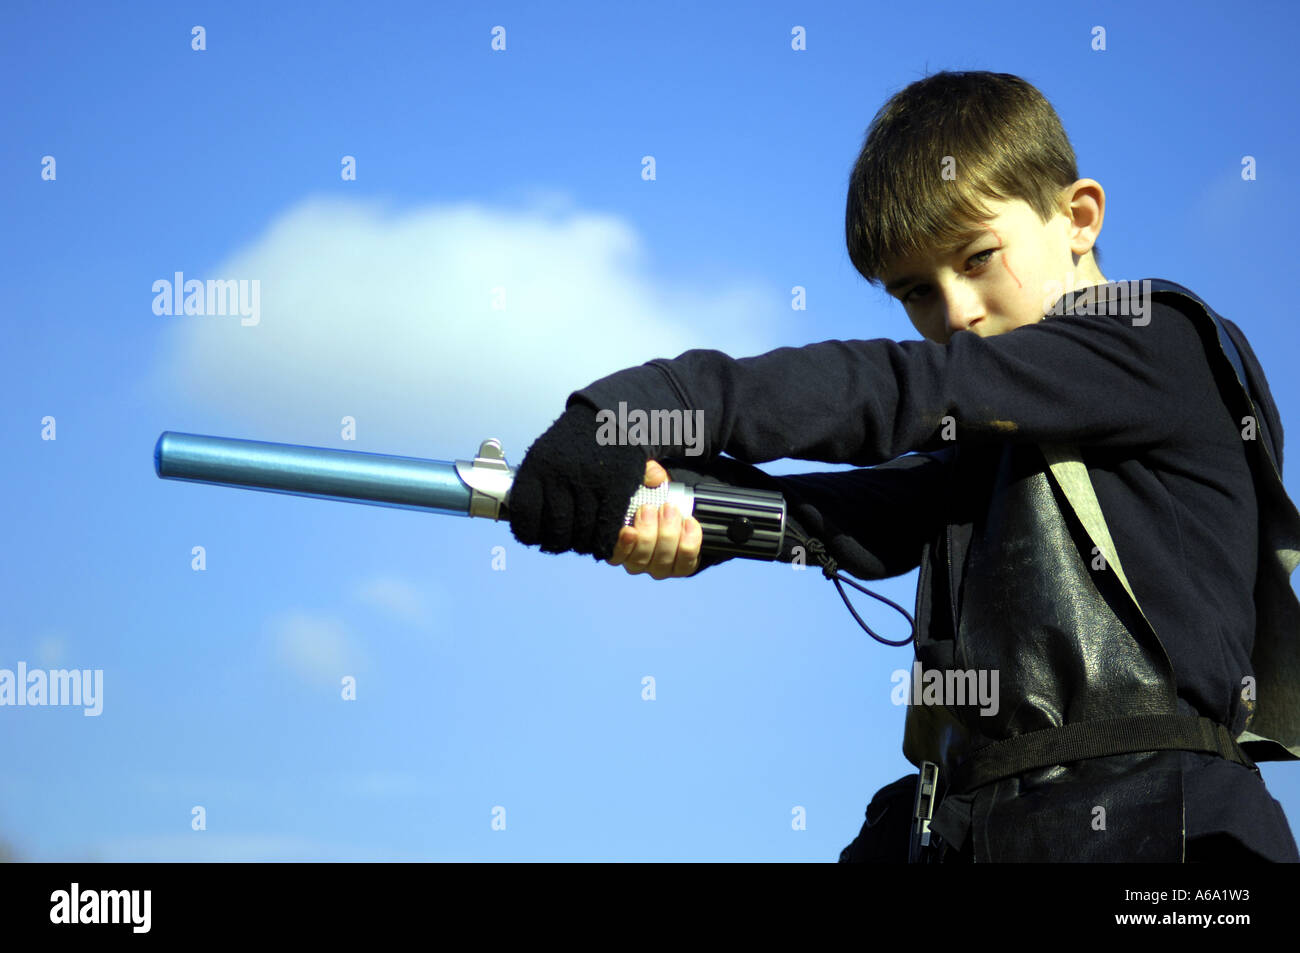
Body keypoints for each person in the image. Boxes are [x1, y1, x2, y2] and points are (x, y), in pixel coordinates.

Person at [506, 70, 1300, 862]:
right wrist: (677, 506)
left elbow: (903, 387)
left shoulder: (1154, 340)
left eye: (980, 256)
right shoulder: (993, 440)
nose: (955, 313)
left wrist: (645, 403)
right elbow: (843, 519)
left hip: (1170, 839)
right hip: (974, 827)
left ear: (1078, 217)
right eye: (918, 291)